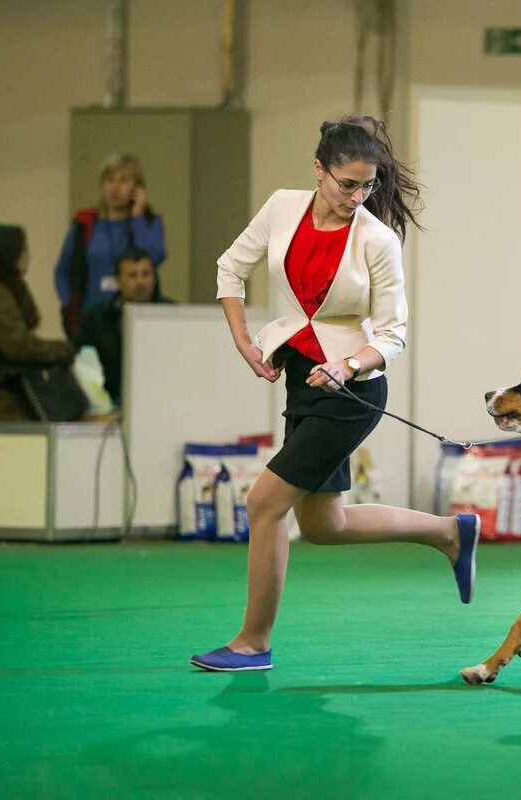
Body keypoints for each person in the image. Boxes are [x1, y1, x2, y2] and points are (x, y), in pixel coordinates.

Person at [192, 114, 479, 673]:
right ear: (319, 171)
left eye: (367, 185)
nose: (358, 195)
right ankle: (449, 531)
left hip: (351, 394)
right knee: (325, 526)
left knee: (264, 504)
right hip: (301, 381)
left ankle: (253, 643)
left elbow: (392, 336)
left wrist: (348, 365)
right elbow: (230, 268)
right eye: (347, 183)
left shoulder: (377, 238)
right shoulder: (281, 207)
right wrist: (246, 342)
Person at [54, 153, 167, 339]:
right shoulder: (85, 224)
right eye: (109, 180)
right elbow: (62, 271)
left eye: (123, 181)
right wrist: (69, 304)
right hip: (90, 317)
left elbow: (154, 257)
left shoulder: (148, 222)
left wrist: (137, 216)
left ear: (137, 188)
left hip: (134, 317)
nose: (115, 187)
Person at [0, 225, 74, 421]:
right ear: (10, 255)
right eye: (24, 249)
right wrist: (65, 350)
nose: (28, 255)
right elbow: (19, 346)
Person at [74, 246, 174, 406]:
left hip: (164, 401)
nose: (140, 282)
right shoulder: (97, 319)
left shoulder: (173, 316)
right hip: (111, 402)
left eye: (146, 274)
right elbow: (82, 366)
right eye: (132, 276)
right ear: (118, 281)